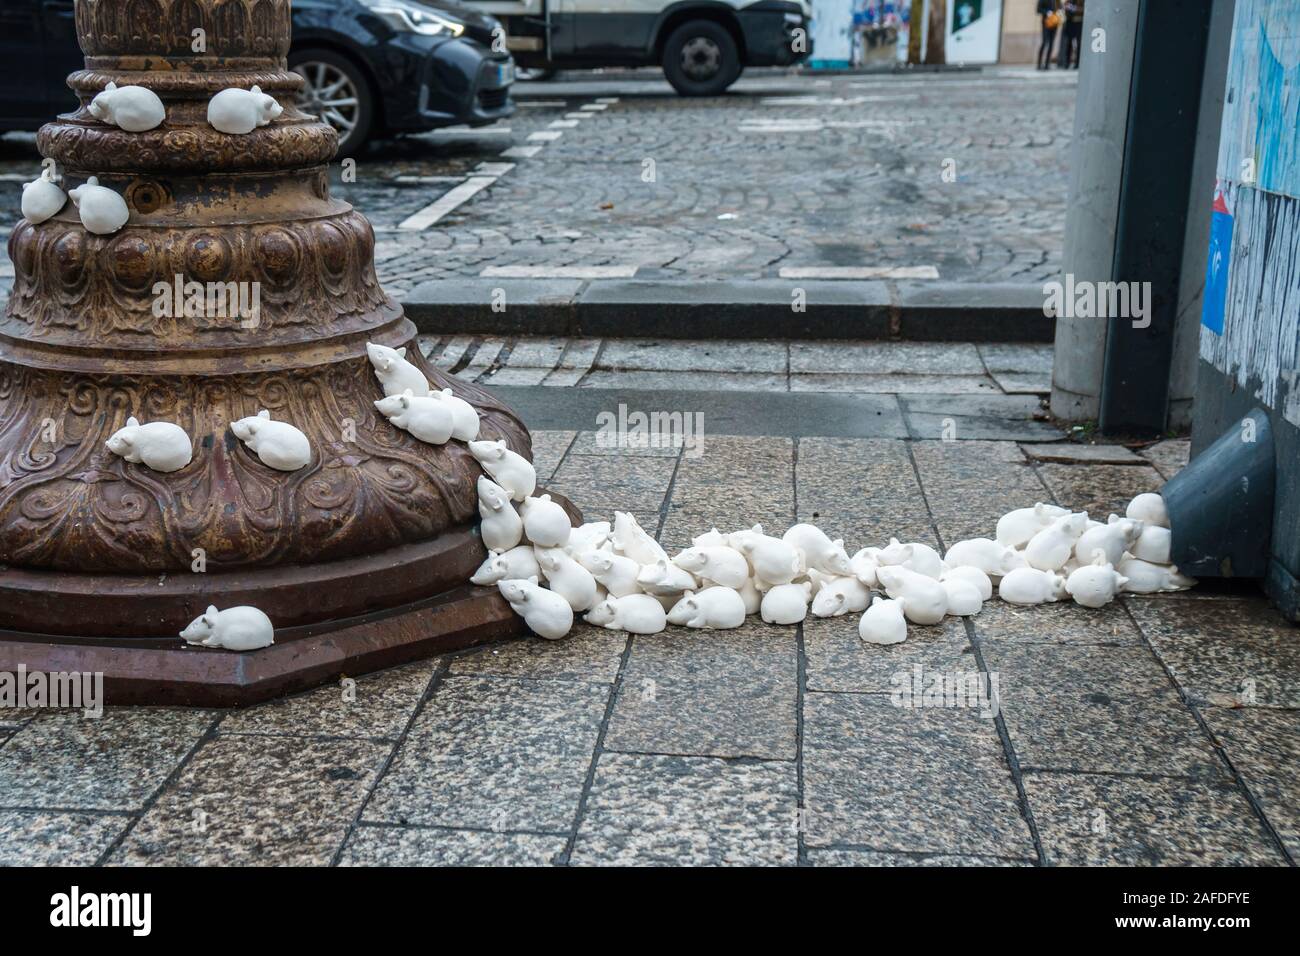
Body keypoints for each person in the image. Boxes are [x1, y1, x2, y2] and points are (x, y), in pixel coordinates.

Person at [1058, 0, 1084, 69]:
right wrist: (1068, 8)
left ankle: (1077, 63)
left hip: (1079, 23)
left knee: (1079, 44)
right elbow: (1065, 9)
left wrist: (1075, 9)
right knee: (1069, 44)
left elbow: (1084, 9)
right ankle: (1067, 63)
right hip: (1070, 23)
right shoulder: (1069, 1)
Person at [1037, 0, 1060, 71]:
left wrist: (1060, 12)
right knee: (1044, 42)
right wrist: (1046, 12)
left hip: (1055, 24)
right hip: (1046, 24)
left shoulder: (1057, 1)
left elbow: (1060, 7)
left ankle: (1047, 64)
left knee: (1051, 44)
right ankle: (1039, 64)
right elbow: (1038, 9)